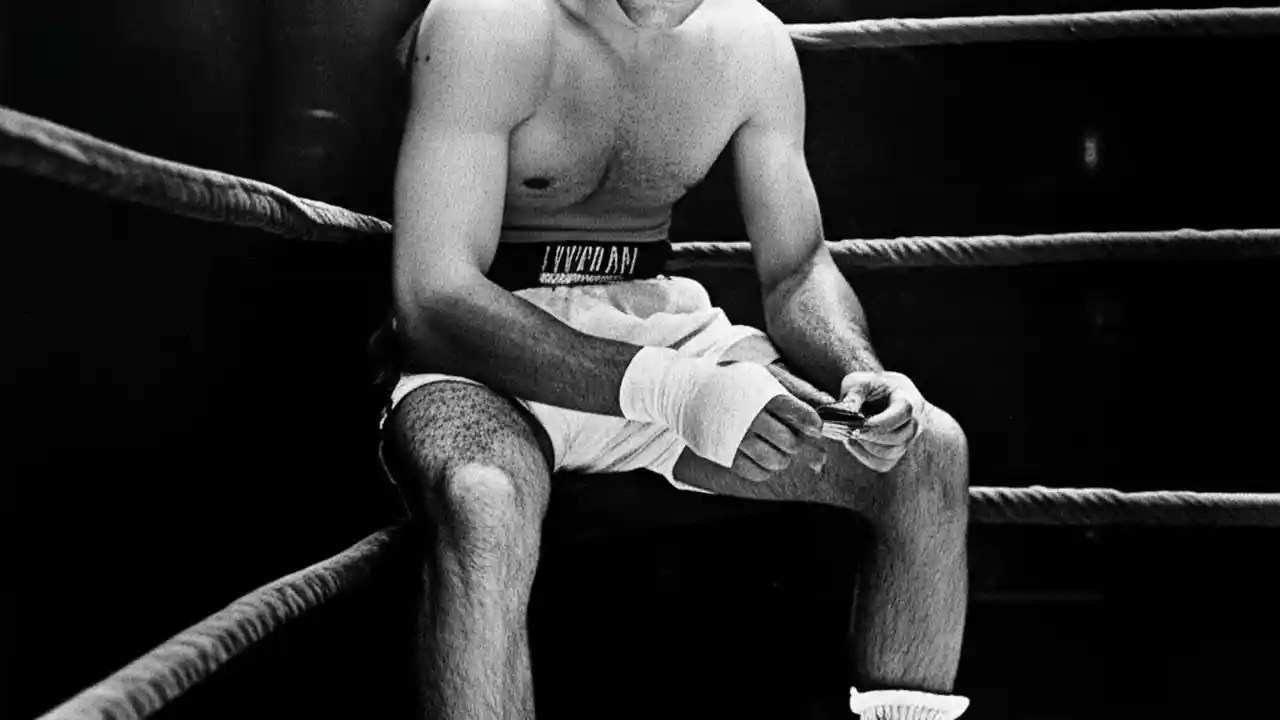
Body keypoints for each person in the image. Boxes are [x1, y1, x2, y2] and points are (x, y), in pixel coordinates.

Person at [380, 0, 970, 717]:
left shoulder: (749, 41)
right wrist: (669, 390)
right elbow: (434, 297)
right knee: (484, 503)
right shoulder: (490, 19)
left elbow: (797, 268)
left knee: (925, 455)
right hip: (492, 344)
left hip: (662, 332)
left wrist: (859, 370)